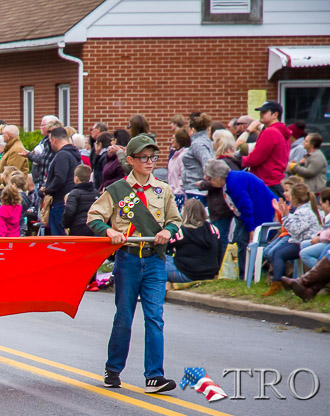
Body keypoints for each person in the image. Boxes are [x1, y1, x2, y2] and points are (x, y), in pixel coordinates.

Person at [87, 134, 182, 394]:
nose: (150, 162)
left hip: (154, 260)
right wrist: (109, 232)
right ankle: (113, 369)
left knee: (155, 318)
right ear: (130, 160)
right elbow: (94, 216)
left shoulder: (163, 190)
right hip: (127, 258)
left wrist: (168, 231)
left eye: (153, 157)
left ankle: (154, 376)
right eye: (144, 157)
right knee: (124, 317)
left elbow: (175, 220)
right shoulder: (117, 190)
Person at [202, 159, 277, 279]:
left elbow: (246, 207)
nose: (209, 182)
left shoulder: (234, 184)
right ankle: (244, 272)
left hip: (261, 213)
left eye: (209, 179)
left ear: (218, 177)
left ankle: (245, 275)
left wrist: (251, 229)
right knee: (238, 239)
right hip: (250, 214)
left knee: (243, 242)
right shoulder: (232, 179)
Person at [265, 183, 323, 295]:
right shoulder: (303, 209)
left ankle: (277, 284)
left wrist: (285, 215)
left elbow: (295, 230)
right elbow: (295, 226)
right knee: (277, 252)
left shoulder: (305, 211)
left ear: (295, 198)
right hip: (300, 241)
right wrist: (283, 213)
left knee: (279, 254)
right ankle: (280, 282)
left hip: (306, 242)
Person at [165, 199, 222, 286]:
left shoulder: (181, 231)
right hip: (210, 274)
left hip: (188, 275)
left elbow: (164, 246)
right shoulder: (213, 229)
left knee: (155, 262)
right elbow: (219, 253)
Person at [242, 101, 291, 197]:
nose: (261, 114)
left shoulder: (270, 132)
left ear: (275, 114)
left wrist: (239, 160)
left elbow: (255, 158)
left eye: (264, 112)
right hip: (276, 180)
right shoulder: (282, 131)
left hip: (266, 182)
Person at [42, 127, 80, 235]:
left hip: (59, 202)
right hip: (69, 200)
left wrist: (46, 191)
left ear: (54, 140)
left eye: (50, 141)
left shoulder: (62, 155)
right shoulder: (74, 154)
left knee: (59, 239)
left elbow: (59, 179)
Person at [181, 113, 213, 205]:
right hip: (196, 189)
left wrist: (205, 182)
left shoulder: (198, 144)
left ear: (192, 129)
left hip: (196, 190)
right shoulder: (205, 141)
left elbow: (207, 162)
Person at [63, 164, 96, 237]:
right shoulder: (96, 193)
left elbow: (69, 212)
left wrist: (65, 225)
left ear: (76, 179)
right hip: (94, 228)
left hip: (77, 228)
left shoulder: (74, 194)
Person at [166, 130, 190, 211]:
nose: (172, 140)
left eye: (173, 138)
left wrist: (177, 192)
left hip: (179, 195)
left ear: (179, 140)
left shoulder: (183, 156)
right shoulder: (174, 155)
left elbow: (183, 176)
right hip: (173, 194)